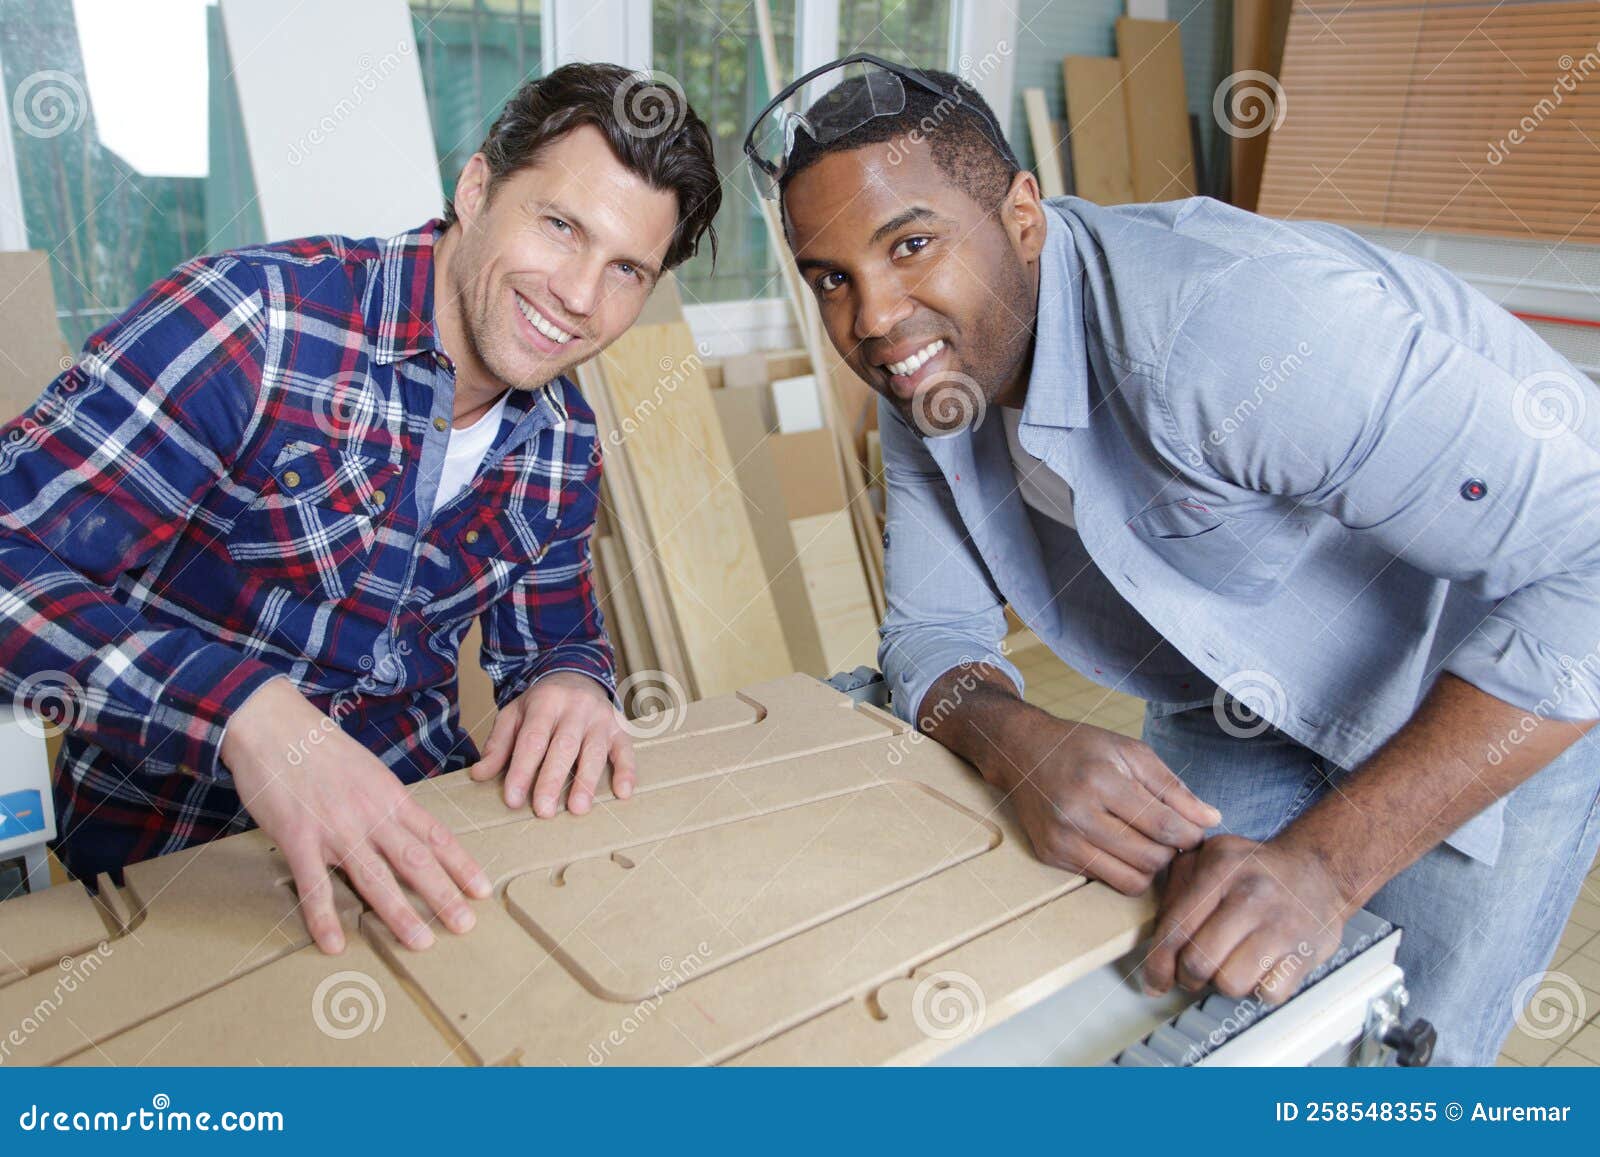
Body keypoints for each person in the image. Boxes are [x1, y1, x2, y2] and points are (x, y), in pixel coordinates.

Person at [752, 54, 1600, 1065]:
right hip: (1229, 686)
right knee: (1168, 994)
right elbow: (931, 631)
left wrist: (1328, 868)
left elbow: (1586, 564)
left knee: (1406, 1050)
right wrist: (1011, 734)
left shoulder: (1227, 323)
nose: (874, 318)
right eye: (830, 279)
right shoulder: (928, 379)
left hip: (1482, 668)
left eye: (913, 243)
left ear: (1022, 214)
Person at [0, 62, 720, 955]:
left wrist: (571, 682)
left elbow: (553, 638)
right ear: (477, 186)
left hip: (417, 842)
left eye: (626, 270)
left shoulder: (564, 436)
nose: (579, 295)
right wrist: (241, 713)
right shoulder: (253, 323)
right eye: (561, 225)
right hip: (181, 867)